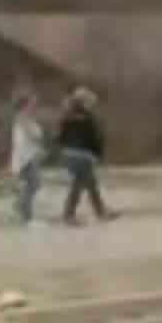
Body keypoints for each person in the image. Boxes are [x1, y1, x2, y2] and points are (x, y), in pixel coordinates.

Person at [56, 87, 120, 225]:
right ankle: (69, 215)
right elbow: (96, 138)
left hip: (69, 153)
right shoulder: (89, 118)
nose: (93, 105)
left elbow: (60, 137)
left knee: (90, 184)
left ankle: (100, 211)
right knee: (78, 185)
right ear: (84, 102)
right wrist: (98, 155)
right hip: (83, 155)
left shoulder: (66, 116)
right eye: (91, 102)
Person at [8, 91, 46, 226]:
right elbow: (32, 135)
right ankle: (26, 217)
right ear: (24, 105)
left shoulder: (26, 118)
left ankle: (20, 207)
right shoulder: (22, 118)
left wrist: (39, 149)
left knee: (33, 184)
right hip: (25, 157)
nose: (35, 106)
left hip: (29, 156)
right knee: (33, 184)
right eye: (32, 103)